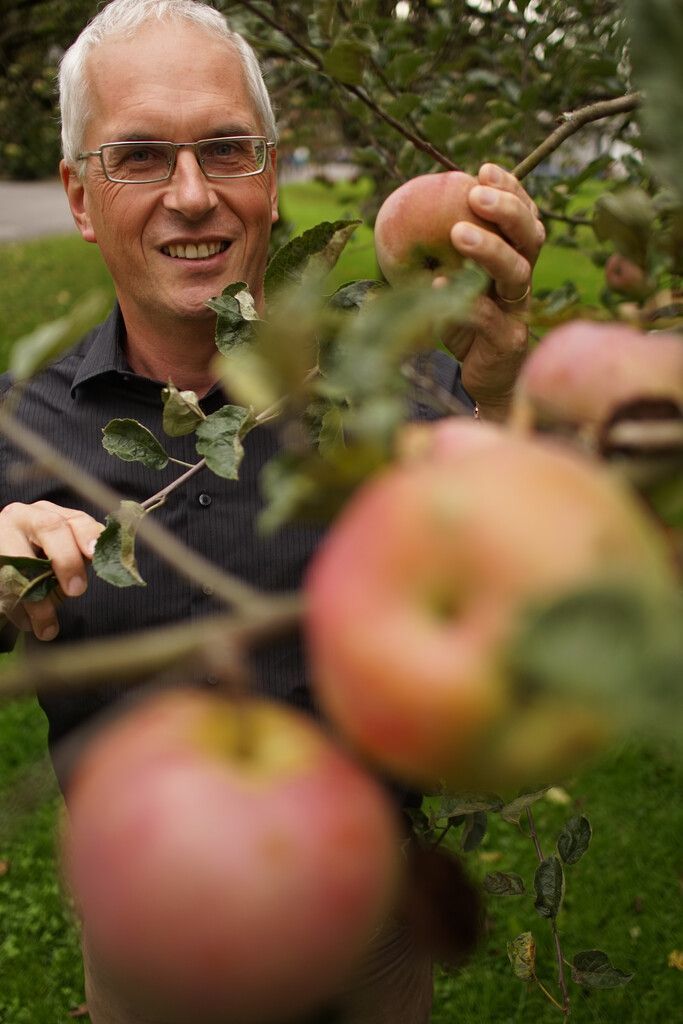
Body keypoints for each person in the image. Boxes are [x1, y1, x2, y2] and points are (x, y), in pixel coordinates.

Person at [0, 1, 545, 1021]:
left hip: (368, 956)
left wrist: (506, 391)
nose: (194, 195)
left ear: (273, 170)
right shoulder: (21, 431)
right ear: (78, 195)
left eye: (226, 149)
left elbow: (533, 621)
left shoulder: (405, 391)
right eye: (141, 158)